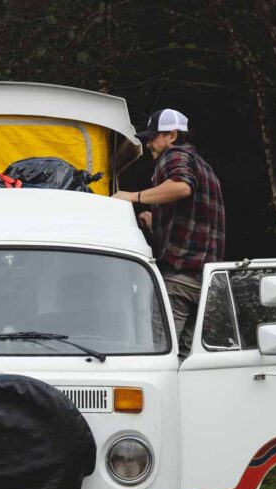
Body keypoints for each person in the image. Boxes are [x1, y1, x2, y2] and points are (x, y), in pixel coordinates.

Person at [113, 109, 225, 357]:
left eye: (154, 136)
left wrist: (133, 196)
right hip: (206, 281)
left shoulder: (174, 155)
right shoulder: (205, 167)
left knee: (160, 354)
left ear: (172, 135)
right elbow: (196, 217)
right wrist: (157, 222)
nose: (149, 143)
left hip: (179, 279)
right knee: (187, 357)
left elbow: (182, 186)